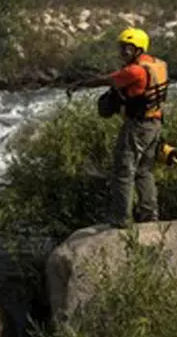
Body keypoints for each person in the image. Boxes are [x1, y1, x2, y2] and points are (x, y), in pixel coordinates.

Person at [67, 27, 169, 228]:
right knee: (144, 171)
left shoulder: (135, 70)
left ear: (138, 49)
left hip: (137, 127)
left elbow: (108, 79)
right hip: (155, 124)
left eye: (127, 49)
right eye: (122, 48)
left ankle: (121, 220)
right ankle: (150, 216)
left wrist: (80, 83)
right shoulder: (157, 64)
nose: (123, 53)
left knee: (123, 171)